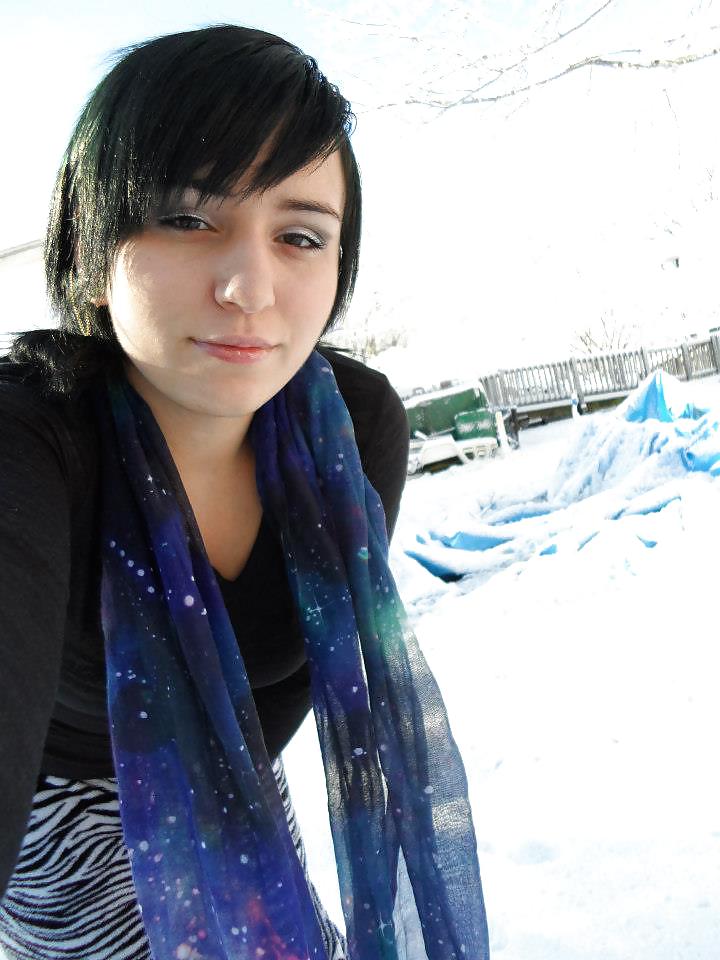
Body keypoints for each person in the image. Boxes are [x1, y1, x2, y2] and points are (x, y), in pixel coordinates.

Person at [0, 24, 488, 960]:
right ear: (93, 250)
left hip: (237, 796)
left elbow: (281, 698)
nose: (249, 287)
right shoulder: (32, 442)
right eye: (189, 220)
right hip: (53, 832)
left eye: (301, 235)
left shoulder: (351, 433)